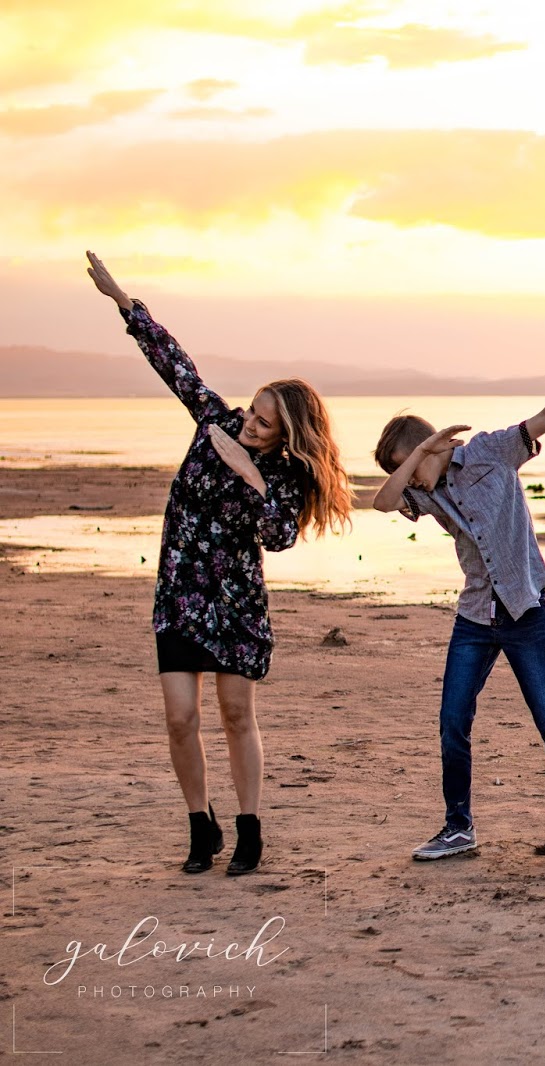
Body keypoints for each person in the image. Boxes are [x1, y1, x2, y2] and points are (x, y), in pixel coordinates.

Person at [84, 251, 354, 876]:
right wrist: (123, 301)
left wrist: (250, 474)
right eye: (253, 412)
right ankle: (199, 824)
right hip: (180, 594)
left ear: (287, 434)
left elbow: (279, 536)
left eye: (265, 422)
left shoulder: (283, 475)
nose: (251, 424)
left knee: (236, 716)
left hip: (235, 603)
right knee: (180, 719)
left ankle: (249, 829)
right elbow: (173, 362)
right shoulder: (214, 422)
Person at [371, 332, 545, 867]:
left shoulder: (492, 452)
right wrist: (420, 455)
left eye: (416, 461)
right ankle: (458, 829)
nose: (413, 477)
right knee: (453, 723)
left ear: (440, 447)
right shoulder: (425, 493)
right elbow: (381, 501)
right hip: (474, 617)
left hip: (525, 611)